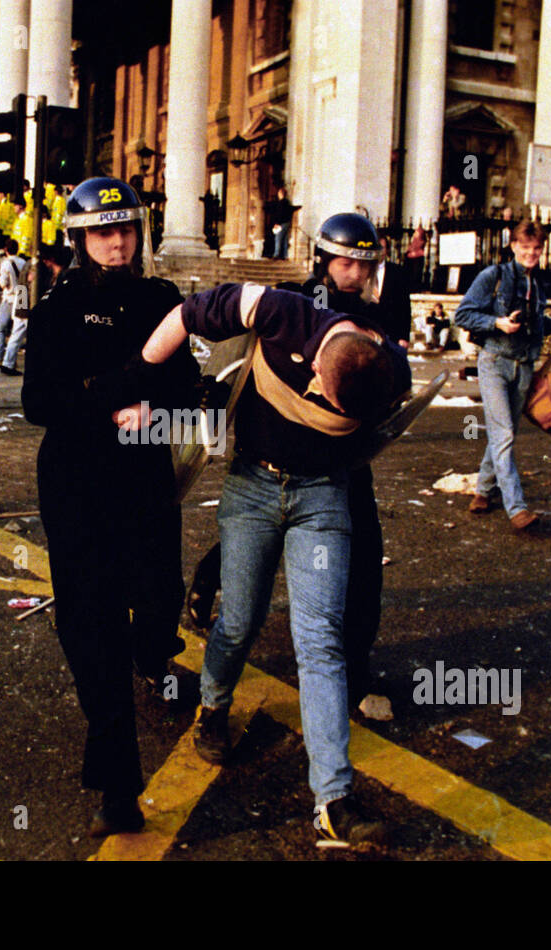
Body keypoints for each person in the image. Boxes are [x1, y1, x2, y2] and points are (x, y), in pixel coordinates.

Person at [140, 276, 410, 847]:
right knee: (240, 620)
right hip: (253, 488)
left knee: (320, 641)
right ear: (315, 367)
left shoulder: (391, 368)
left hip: (323, 498)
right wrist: (140, 372)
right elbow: (189, 313)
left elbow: (383, 426)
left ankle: (334, 800)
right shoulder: (279, 312)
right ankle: (213, 708)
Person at [22, 177, 197, 837]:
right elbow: (39, 402)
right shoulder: (58, 307)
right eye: (102, 232)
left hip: (145, 476)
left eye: (124, 229)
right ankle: (117, 784)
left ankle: (153, 656)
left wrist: (154, 409)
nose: (116, 242)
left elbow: (189, 389)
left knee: (159, 600)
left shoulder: (161, 300)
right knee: (92, 628)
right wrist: (115, 396)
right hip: (76, 484)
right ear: (81, 239)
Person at [185, 213, 406, 724]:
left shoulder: (378, 317)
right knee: (253, 557)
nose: (356, 273)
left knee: (363, 572)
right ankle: (212, 575)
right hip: (274, 458)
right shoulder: (294, 303)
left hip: (342, 468)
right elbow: (236, 357)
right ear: (324, 260)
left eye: (365, 265)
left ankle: (355, 675)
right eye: (346, 263)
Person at [453, 220, 551, 531]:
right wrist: (497, 323)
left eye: (537, 248)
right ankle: (517, 508)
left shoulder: (537, 283)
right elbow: (463, 314)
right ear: (513, 245)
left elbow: (537, 325)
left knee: (504, 432)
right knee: (504, 434)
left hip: (525, 367)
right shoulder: (494, 276)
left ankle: (483, 490)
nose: (531, 253)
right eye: (525, 247)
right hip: (495, 362)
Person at [0, 238, 28, 375]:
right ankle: (9, 360)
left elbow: (3, 283)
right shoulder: (23, 262)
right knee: (18, 329)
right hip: (22, 295)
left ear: (6, 250)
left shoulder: (5, 264)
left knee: (0, 328)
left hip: (9, 297)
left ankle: (0, 356)